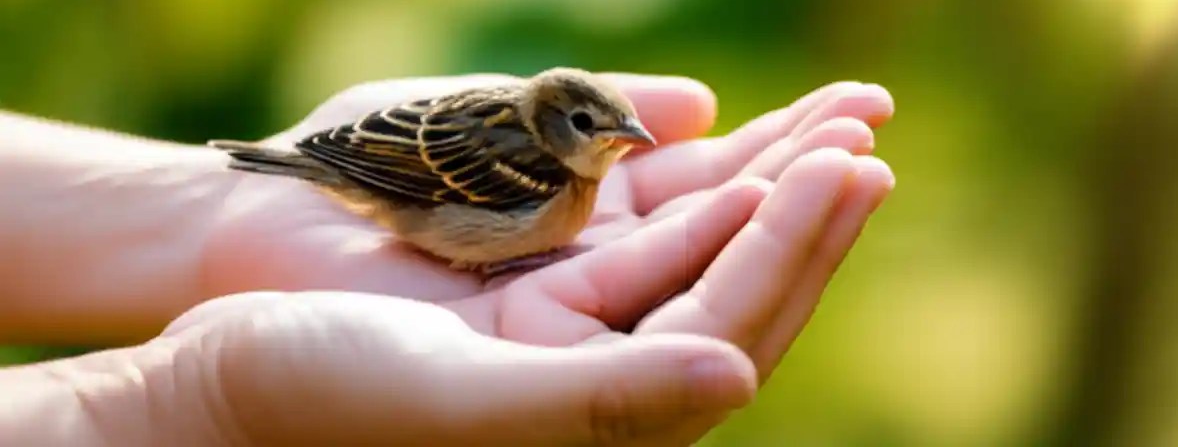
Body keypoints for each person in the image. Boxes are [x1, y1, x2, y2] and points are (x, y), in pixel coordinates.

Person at [0, 73, 895, 446]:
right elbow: (424, 189)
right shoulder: (537, 169)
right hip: (408, 196)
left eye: (621, 125)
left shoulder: (545, 144)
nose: (623, 139)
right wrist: (182, 403)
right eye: (599, 127)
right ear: (556, 126)